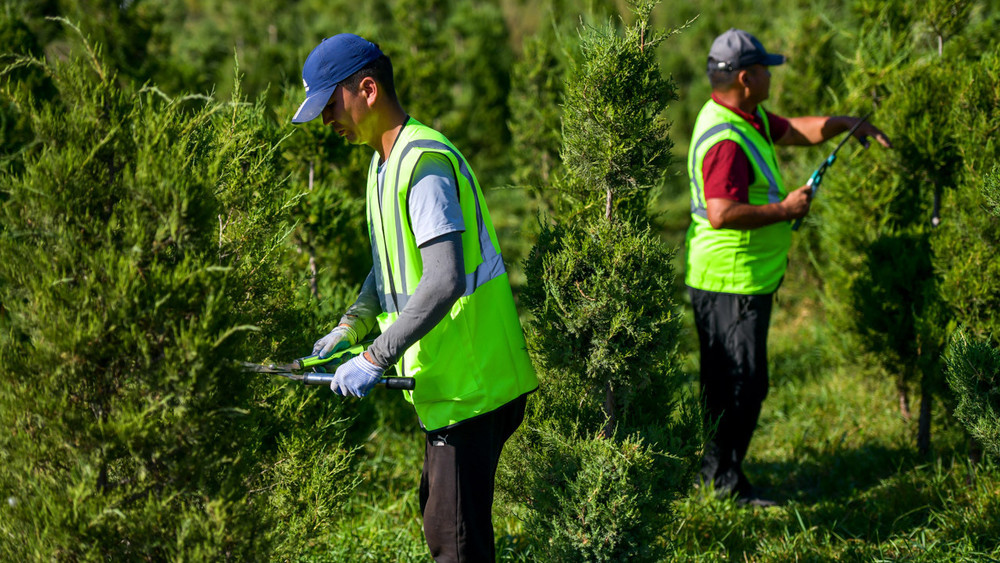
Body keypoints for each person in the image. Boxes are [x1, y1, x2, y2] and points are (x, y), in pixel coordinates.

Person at [291, 34, 538, 561]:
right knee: (443, 521)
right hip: (447, 383)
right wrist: (349, 327)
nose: (327, 121)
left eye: (331, 105)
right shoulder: (383, 164)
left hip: (473, 385)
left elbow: (444, 278)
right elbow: (388, 267)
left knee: (455, 543)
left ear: (368, 88)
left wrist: (374, 356)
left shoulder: (422, 163)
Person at [685, 28, 891, 506]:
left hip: (743, 279)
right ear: (745, 77)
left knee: (737, 382)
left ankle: (719, 478)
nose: (771, 75)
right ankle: (720, 485)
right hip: (728, 281)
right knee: (739, 385)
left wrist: (842, 123)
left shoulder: (743, 114)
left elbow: (792, 130)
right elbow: (721, 213)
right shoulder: (726, 140)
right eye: (765, 69)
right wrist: (787, 210)